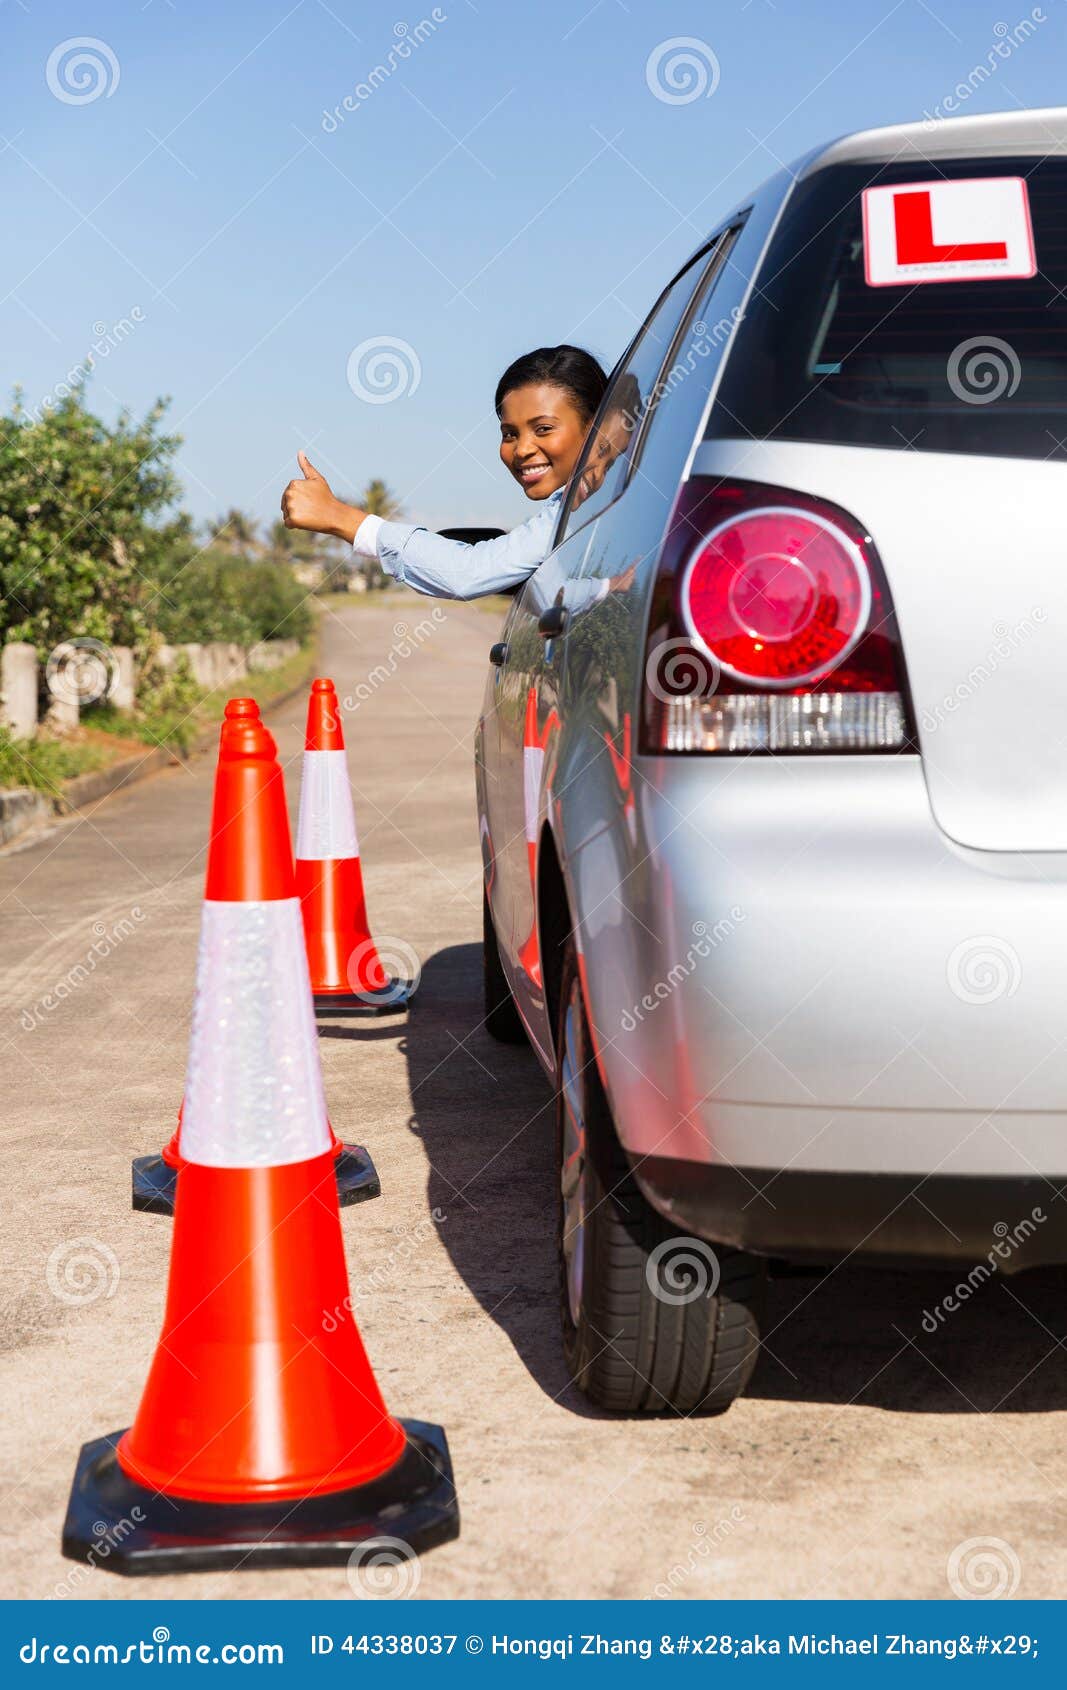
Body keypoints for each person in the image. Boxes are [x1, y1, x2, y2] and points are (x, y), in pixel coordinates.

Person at [281, 345, 637, 600]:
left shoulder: (594, 498)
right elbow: (553, 594)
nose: (522, 448)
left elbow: (469, 573)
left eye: (543, 428)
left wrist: (339, 517)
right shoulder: (588, 502)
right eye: (509, 433)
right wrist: (611, 587)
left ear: (596, 428)